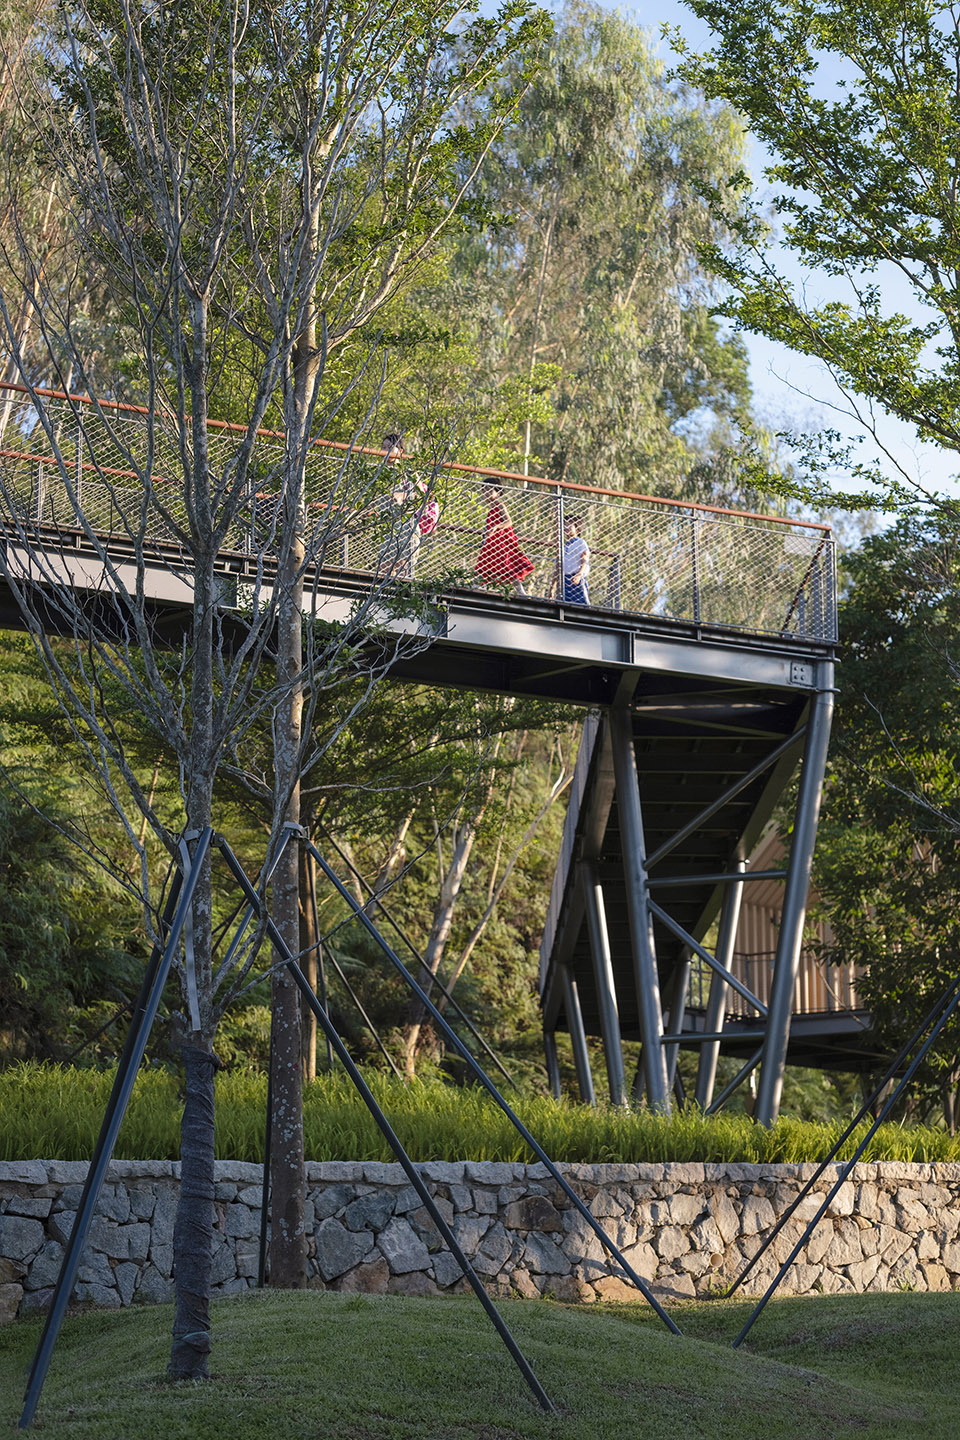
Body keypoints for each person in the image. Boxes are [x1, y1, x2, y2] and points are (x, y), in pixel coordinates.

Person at [374, 432, 429, 579]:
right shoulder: (377, 471)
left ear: (400, 451)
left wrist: (402, 496)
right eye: (383, 447)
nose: (385, 451)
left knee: (403, 570)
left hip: (406, 527)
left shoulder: (408, 472)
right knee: (383, 568)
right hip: (387, 529)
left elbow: (422, 495)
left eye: (390, 447)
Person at [474, 483, 534, 596]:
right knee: (484, 563)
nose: (485, 493)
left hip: (501, 541)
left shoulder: (500, 505)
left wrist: (496, 527)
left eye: (489, 490)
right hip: (492, 543)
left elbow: (508, 521)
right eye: (484, 490)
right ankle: (476, 586)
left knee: (508, 565)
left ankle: (521, 592)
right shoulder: (491, 510)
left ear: (498, 493)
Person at [560, 513, 590, 605]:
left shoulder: (580, 542)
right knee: (565, 604)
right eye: (565, 524)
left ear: (577, 527)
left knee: (582, 604)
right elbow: (558, 565)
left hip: (576, 578)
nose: (566, 526)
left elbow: (584, 558)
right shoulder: (563, 546)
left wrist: (580, 574)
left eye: (570, 524)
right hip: (564, 579)